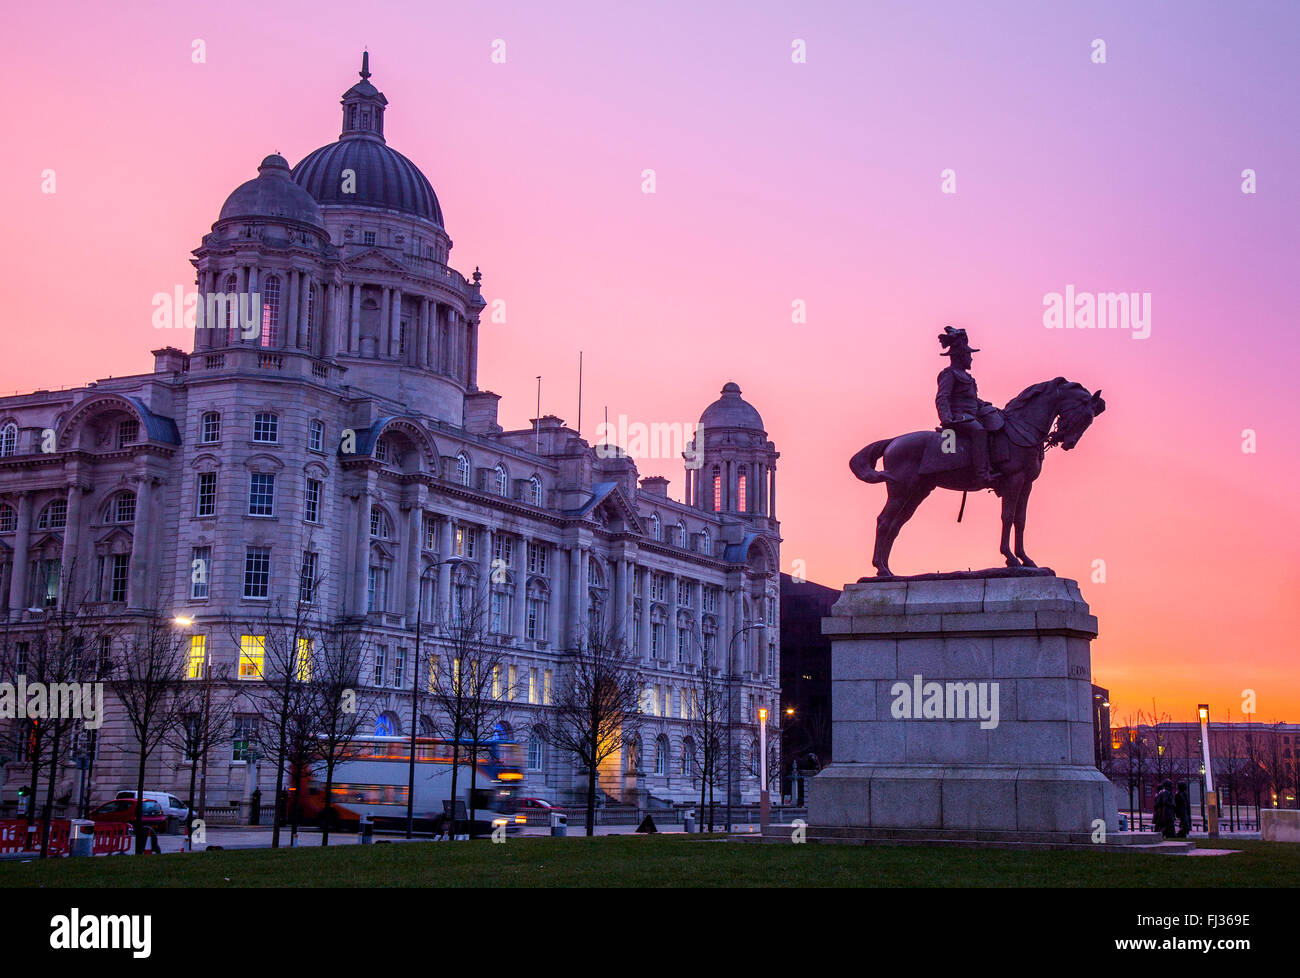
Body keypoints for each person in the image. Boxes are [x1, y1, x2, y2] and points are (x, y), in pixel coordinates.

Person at [935, 326, 1003, 484]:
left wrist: (986, 406)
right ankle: (982, 473)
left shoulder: (968, 377)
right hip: (959, 417)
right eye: (968, 355)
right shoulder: (949, 374)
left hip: (973, 415)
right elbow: (942, 397)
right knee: (979, 431)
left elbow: (972, 399)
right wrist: (946, 418)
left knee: (997, 424)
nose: (971, 359)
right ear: (960, 356)